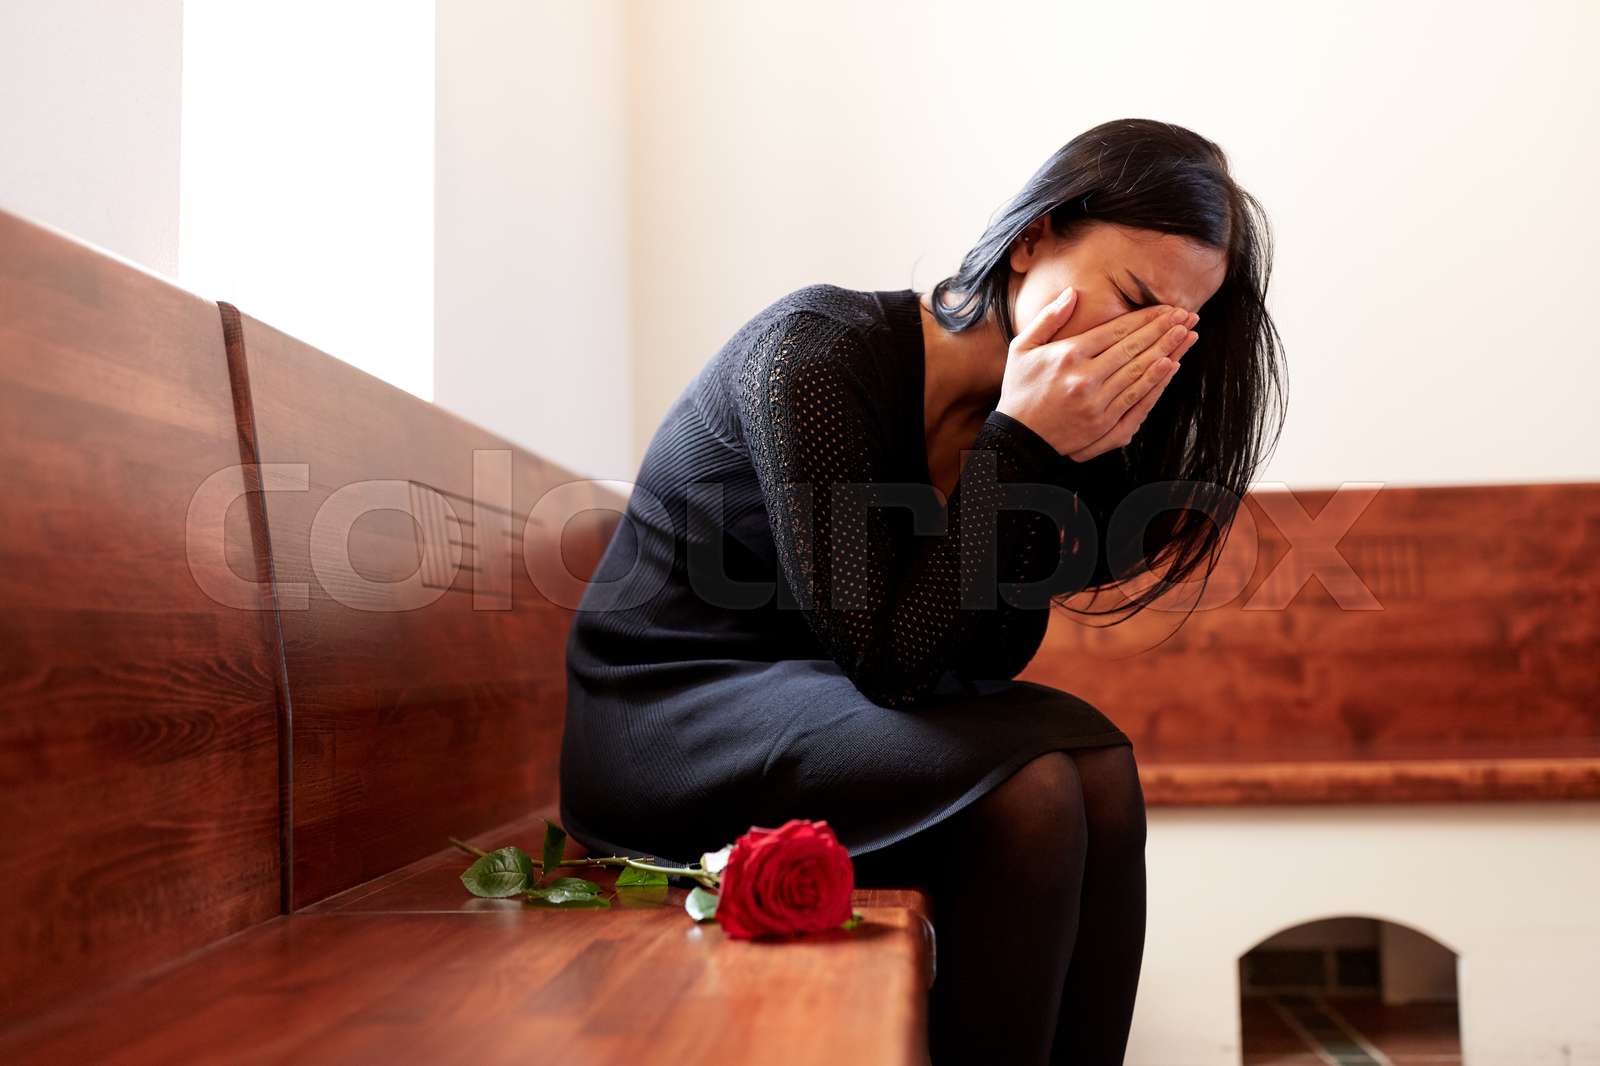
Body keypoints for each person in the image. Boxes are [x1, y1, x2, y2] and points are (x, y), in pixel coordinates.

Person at [560, 117, 1286, 1065]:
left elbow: (982, 657)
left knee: (1099, 768)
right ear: (1034, 239)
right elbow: (894, 664)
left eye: (1174, 329)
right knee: (1030, 785)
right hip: (666, 714)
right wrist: (1023, 445)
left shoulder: (1035, 423)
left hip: (826, 721)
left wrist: (1033, 457)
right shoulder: (817, 353)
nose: (1143, 346)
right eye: (1132, 297)